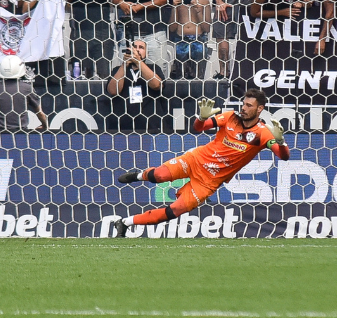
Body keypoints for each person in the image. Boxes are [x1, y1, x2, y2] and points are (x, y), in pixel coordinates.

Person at [113, 89, 290, 237]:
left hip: (208, 182)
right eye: (243, 104)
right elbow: (198, 128)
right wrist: (201, 118)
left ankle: (125, 223)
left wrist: (281, 143)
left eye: (248, 106)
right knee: (159, 175)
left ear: (260, 109)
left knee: (175, 210)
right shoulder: (229, 117)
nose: (243, 108)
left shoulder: (263, 133)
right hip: (196, 160)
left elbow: (283, 157)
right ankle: (138, 175)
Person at [106, 38, 164, 132]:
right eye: (134, 47)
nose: (136, 50)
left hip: (149, 125)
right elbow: (113, 91)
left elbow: (156, 85)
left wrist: (138, 62)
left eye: (141, 47)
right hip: (122, 126)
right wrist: (124, 65)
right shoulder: (118, 70)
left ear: (147, 54)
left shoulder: (154, 68)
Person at [0, 55, 48, 131]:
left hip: (1, 132)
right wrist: (45, 126)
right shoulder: (27, 88)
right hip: (21, 133)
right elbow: (39, 112)